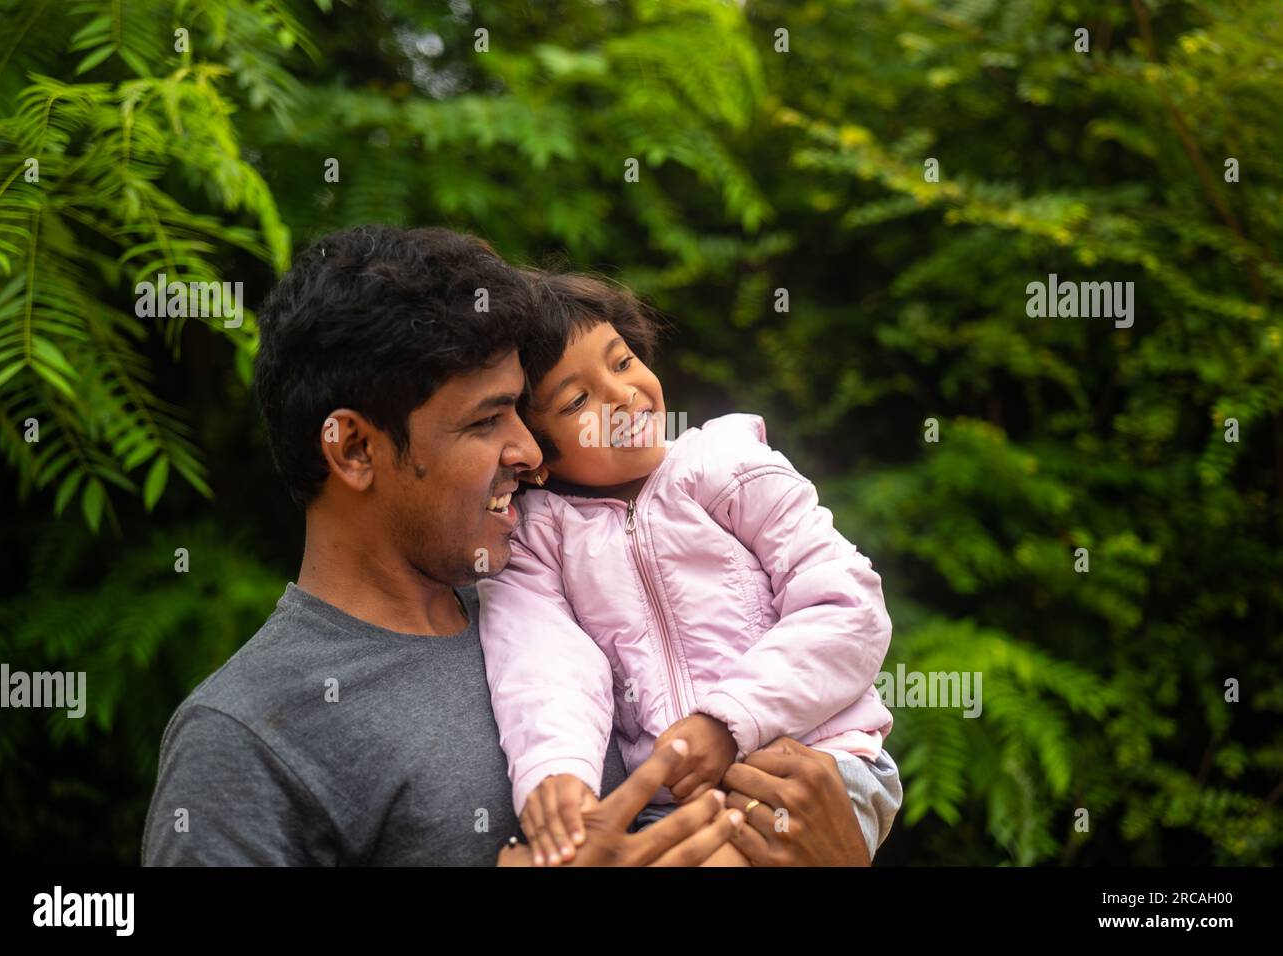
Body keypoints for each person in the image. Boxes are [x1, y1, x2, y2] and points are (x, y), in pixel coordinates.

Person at [142, 224, 882, 866]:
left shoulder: (552, 590)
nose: (531, 452)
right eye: (487, 420)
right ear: (354, 449)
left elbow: (837, 617)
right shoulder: (246, 738)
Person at [477, 271, 902, 867]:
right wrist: (558, 774)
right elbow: (541, 662)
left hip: (817, 761)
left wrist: (727, 721)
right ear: (537, 456)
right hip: (670, 797)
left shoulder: (726, 465)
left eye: (622, 363)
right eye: (577, 400)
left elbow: (846, 606)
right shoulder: (538, 538)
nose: (623, 395)